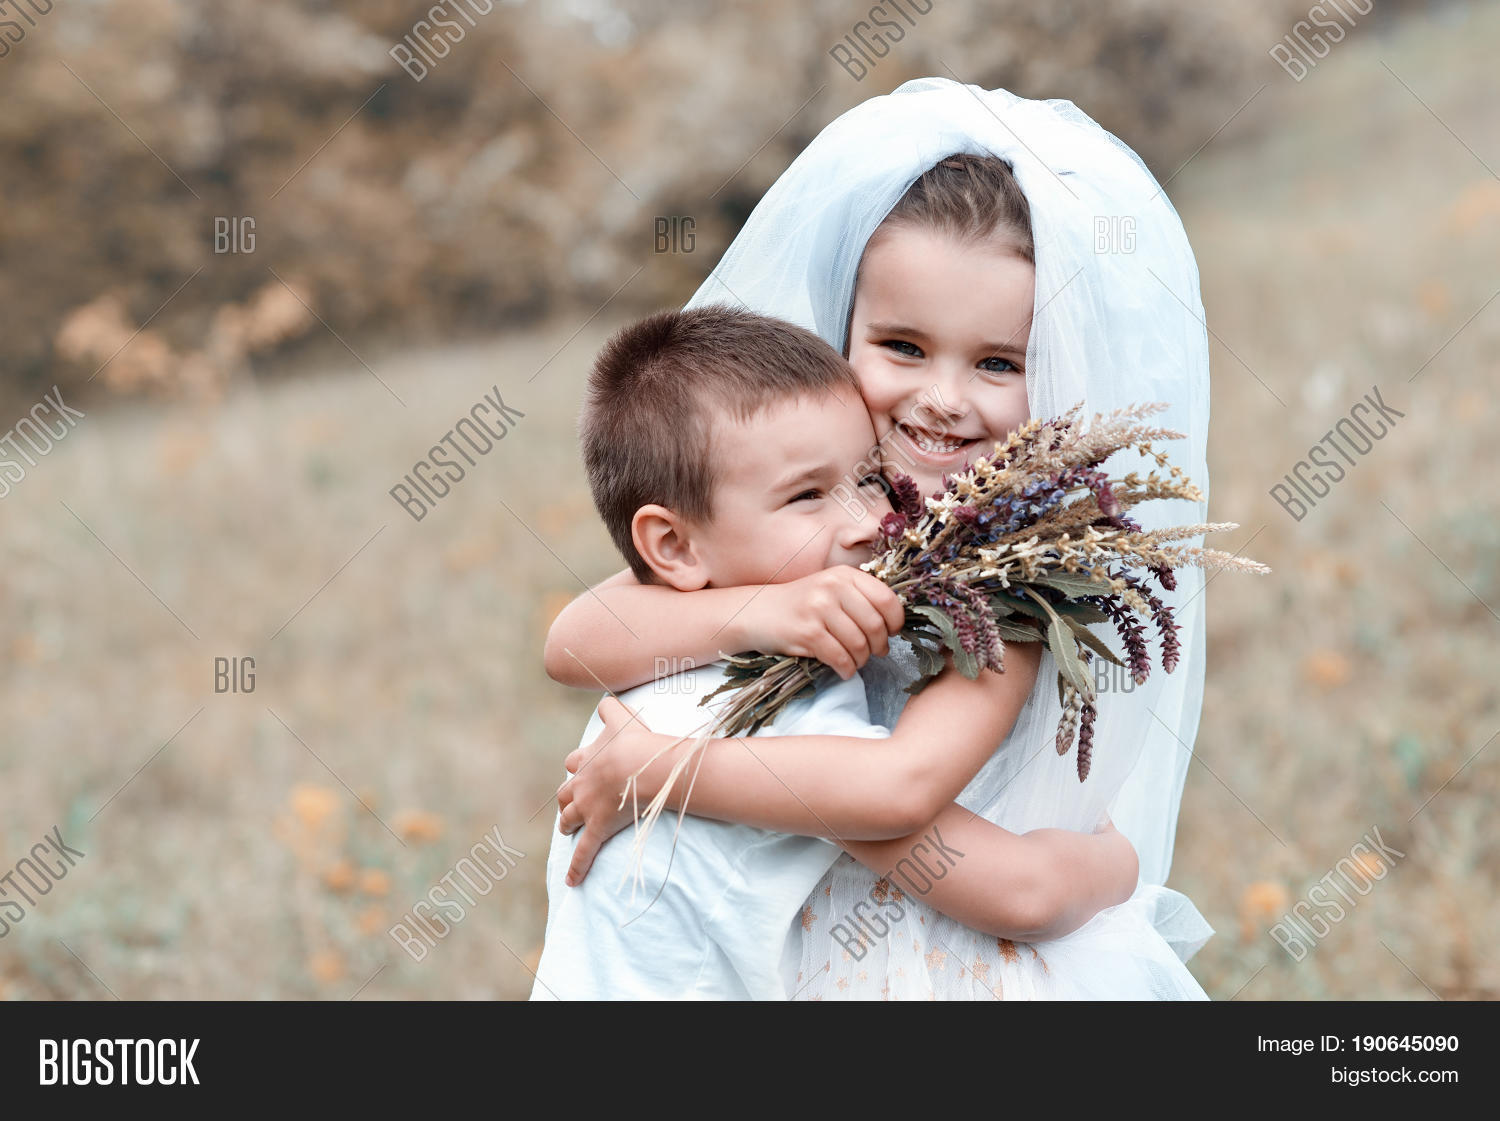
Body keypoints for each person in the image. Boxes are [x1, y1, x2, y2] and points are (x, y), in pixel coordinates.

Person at [550, 79, 1215, 999]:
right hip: (769, 937)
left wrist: (663, 770)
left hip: (932, 946)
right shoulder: (794, 512)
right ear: (844, 330)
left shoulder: (1014, 568)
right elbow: (576, 638)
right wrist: (772, 609)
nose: (942, 396)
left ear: (1056, 368)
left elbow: (906, 797)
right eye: (902, 346)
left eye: (995, 363)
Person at [532, 306, 1137, 1000]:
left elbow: (577, 634)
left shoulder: (676, 638)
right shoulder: (781, 714)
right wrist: (1118, 861)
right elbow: (1021, 891)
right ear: (672, 547)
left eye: (872, 478)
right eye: (808, 495)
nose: (867, 522)